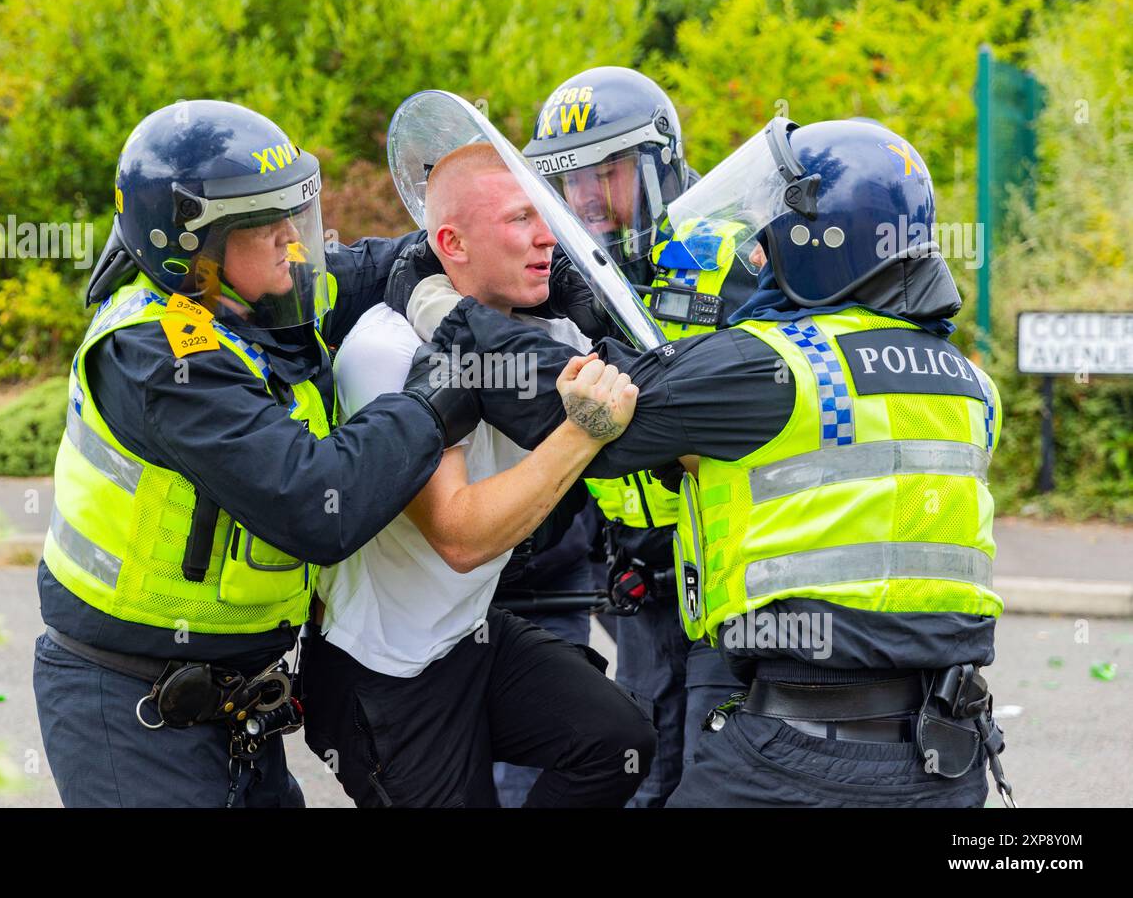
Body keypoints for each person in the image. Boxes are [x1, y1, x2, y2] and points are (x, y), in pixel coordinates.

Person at [404, 117, 1013, 808]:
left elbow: (585, 408)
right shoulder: (967, 383)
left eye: (773, 222)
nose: (756, 243)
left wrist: (446, 313)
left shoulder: (782, 366)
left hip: (793, 757)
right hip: (943, 757)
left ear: (822, 239)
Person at [32, 99, 480, 808]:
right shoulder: (160, 357)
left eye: (290, 216)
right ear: (189, 248)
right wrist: (432, 405)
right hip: (131, 704)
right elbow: (315, 504)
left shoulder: (248, 295)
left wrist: (457, 247)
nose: (290, 242)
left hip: (234, 701)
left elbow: (368, 265)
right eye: (261, 225)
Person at [302, 142, 657, 808]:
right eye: (521, 219)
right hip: (386, 673)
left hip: (470, 637)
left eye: (547, 215)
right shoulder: (389, 349)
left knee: (617, 740)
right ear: (451, 243)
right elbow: (459, 536)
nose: (549, 237)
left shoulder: (548, 330)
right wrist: (582, 431)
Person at [521, 66, 757, 806]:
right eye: (570, 179)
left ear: (658, 162)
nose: (586, 196)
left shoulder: (736, 256)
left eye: (606, 172)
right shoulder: (565, 269)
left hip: (731, 573)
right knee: (642, 770)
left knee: (720, 773)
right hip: (638, 579)